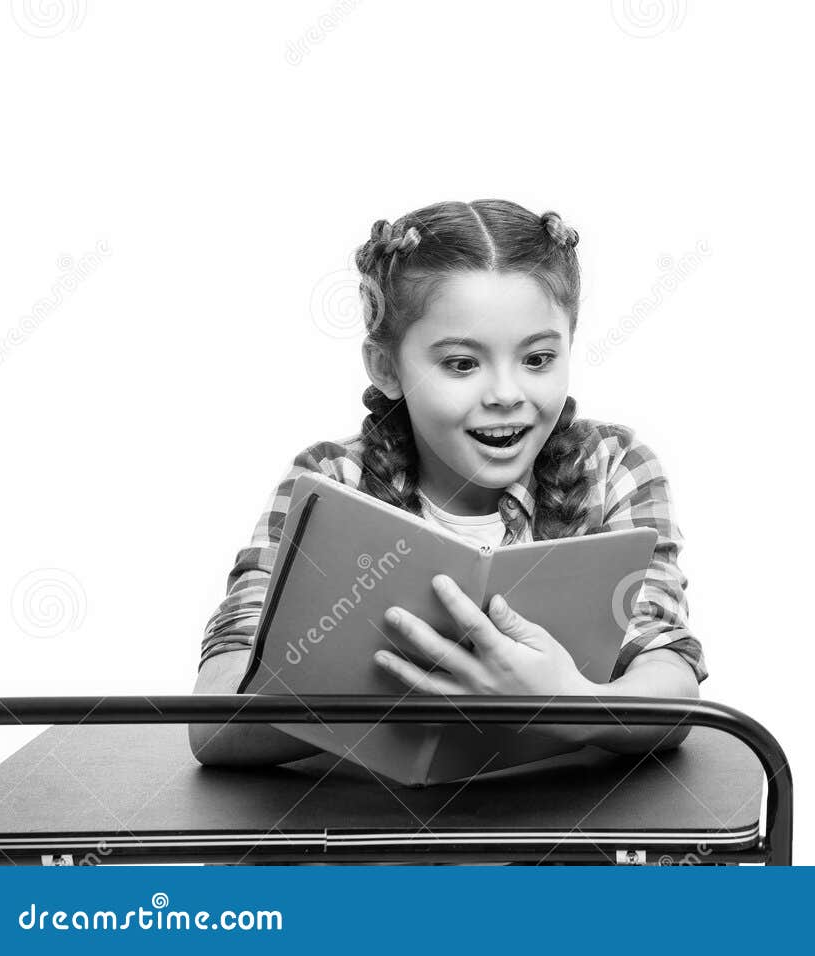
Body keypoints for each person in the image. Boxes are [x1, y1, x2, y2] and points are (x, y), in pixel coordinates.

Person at [189, 199, 704, 767]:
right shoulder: (330, 482)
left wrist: (567, 706)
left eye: (537, 358)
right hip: (363, 841)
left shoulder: (613, 468)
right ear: (387, 367)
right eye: (462, 364)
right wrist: (392, 688)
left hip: (551, 841)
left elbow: (671, 687)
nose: (506, 393)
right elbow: (214, 727)